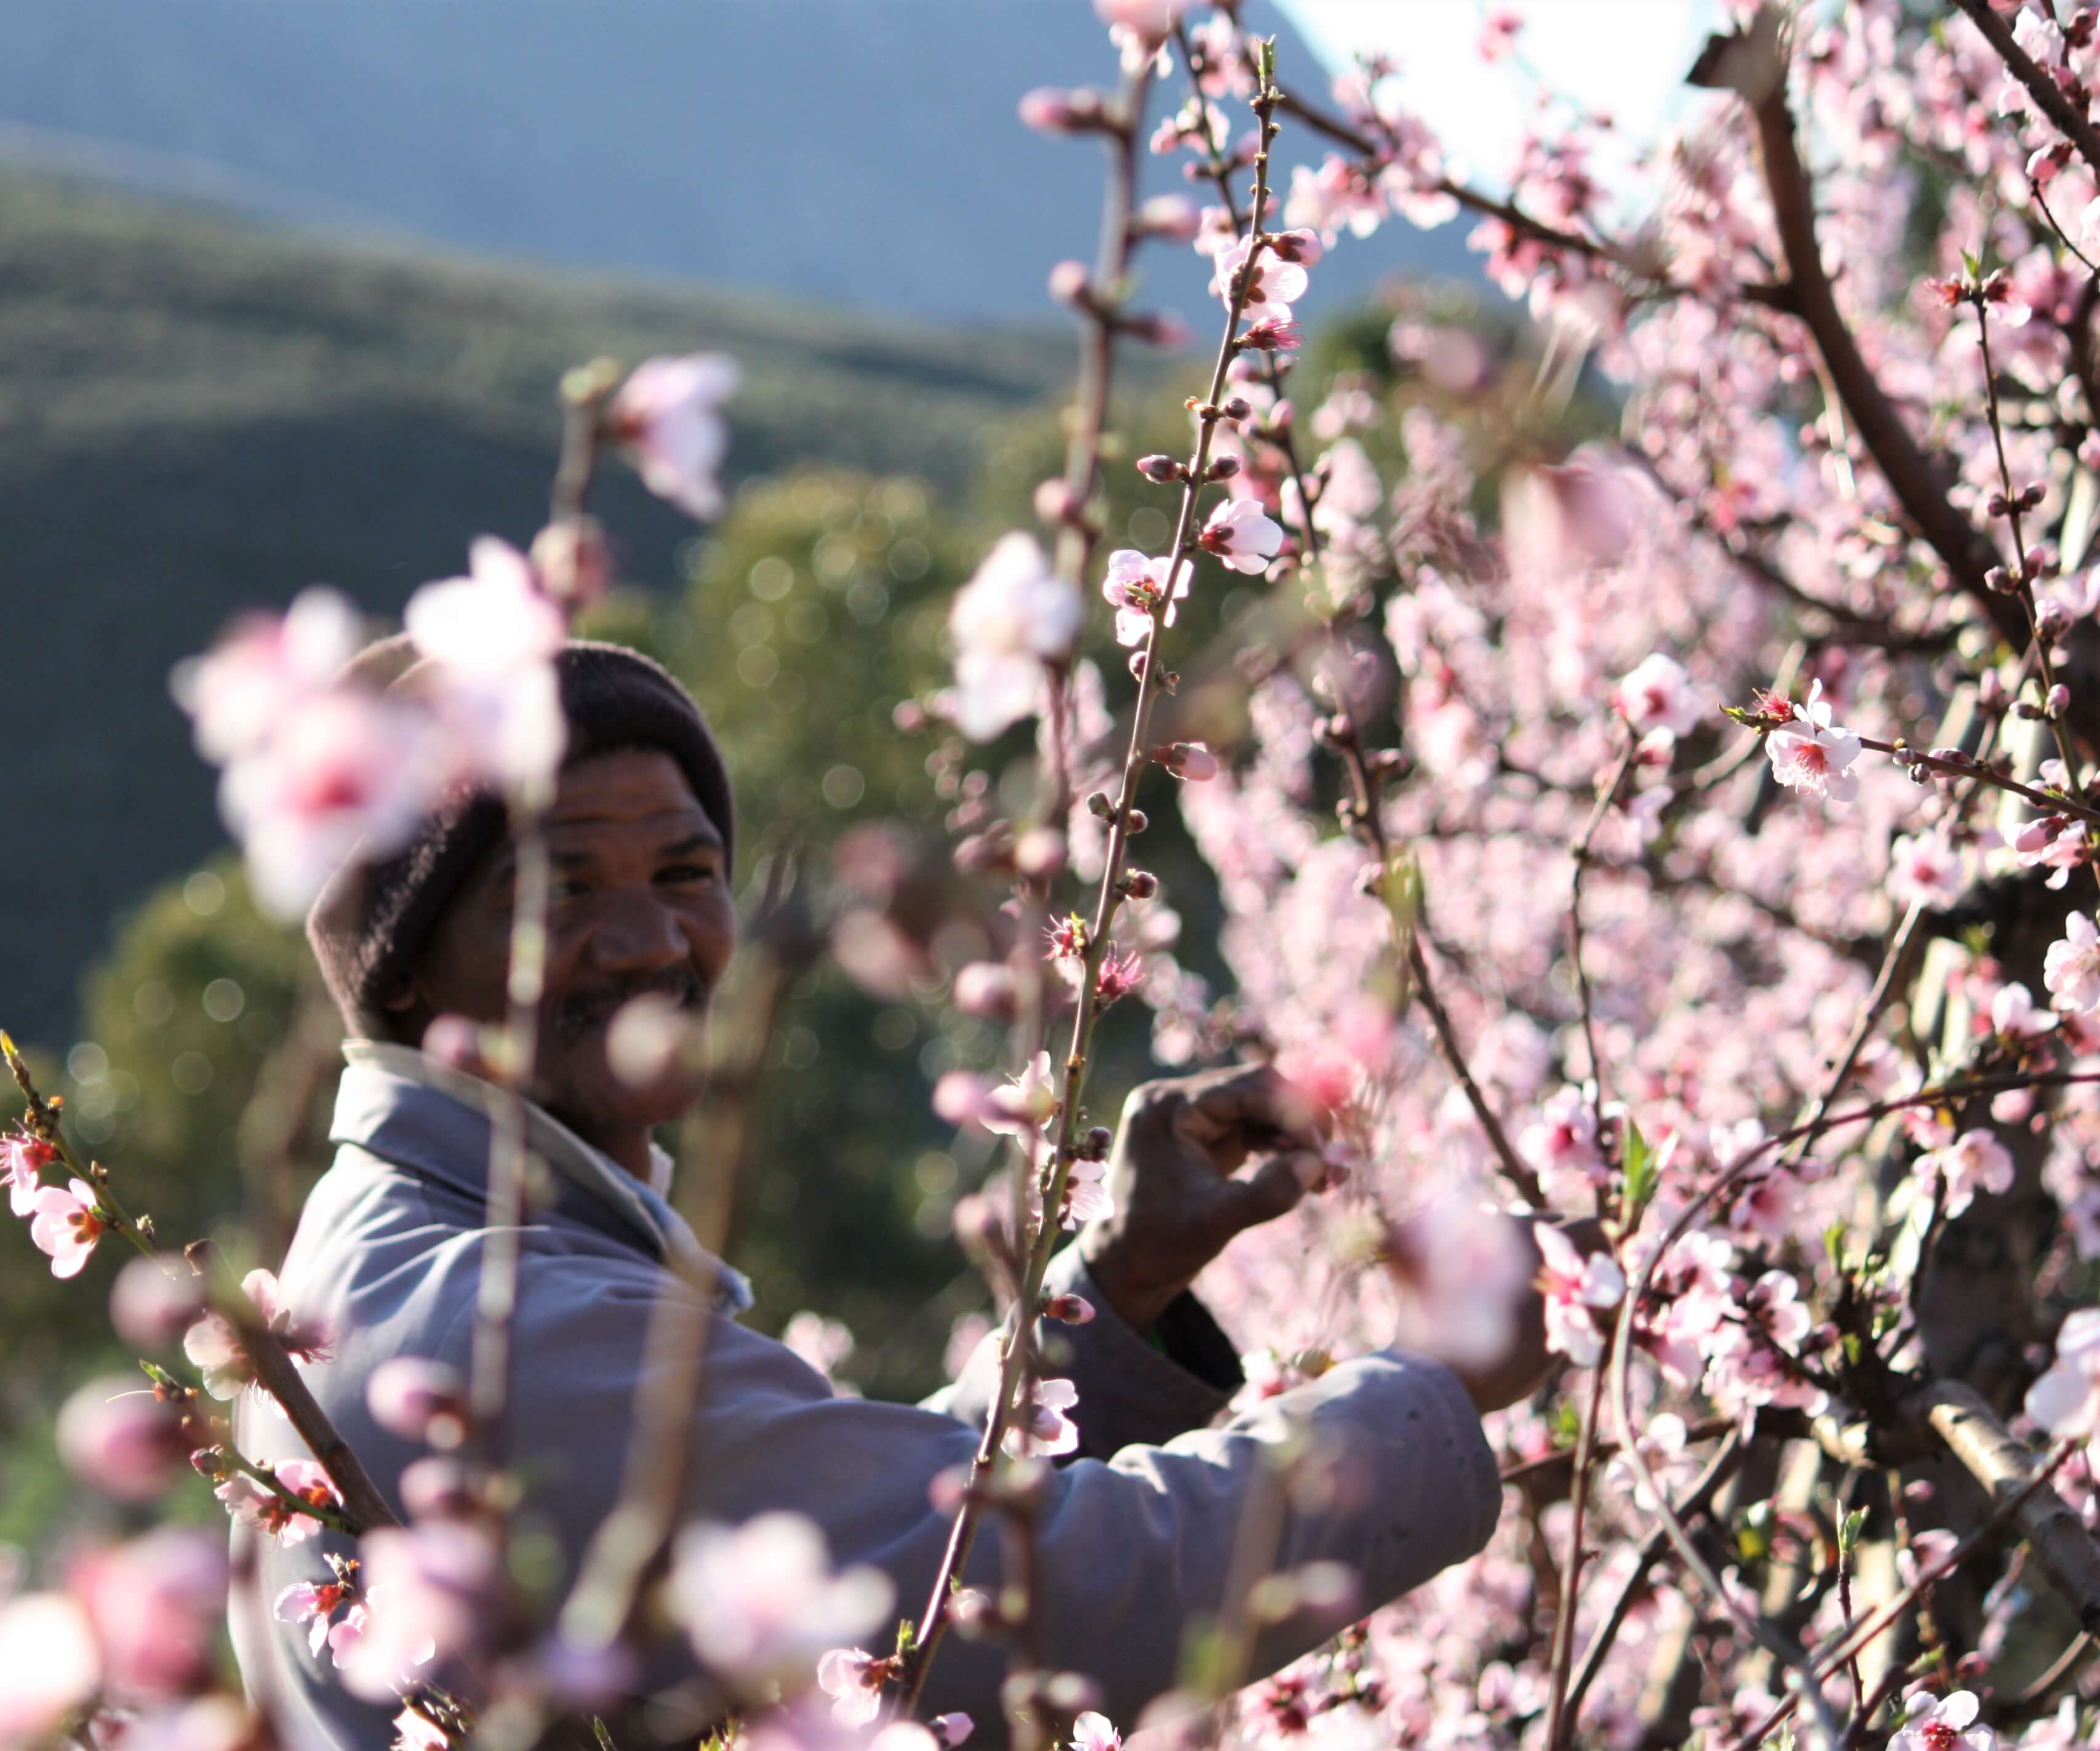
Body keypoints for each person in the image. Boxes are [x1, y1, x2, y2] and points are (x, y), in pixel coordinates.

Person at [230, 637, 1554, 1749]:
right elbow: (1026, 1597)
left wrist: (1116, 1289)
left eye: (686, 875)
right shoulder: (504, 1315)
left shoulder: (412, 1244)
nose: (649, 942)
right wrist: (1429, 1389)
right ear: (407, 966)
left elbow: (850, 1546)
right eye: (558, 890)